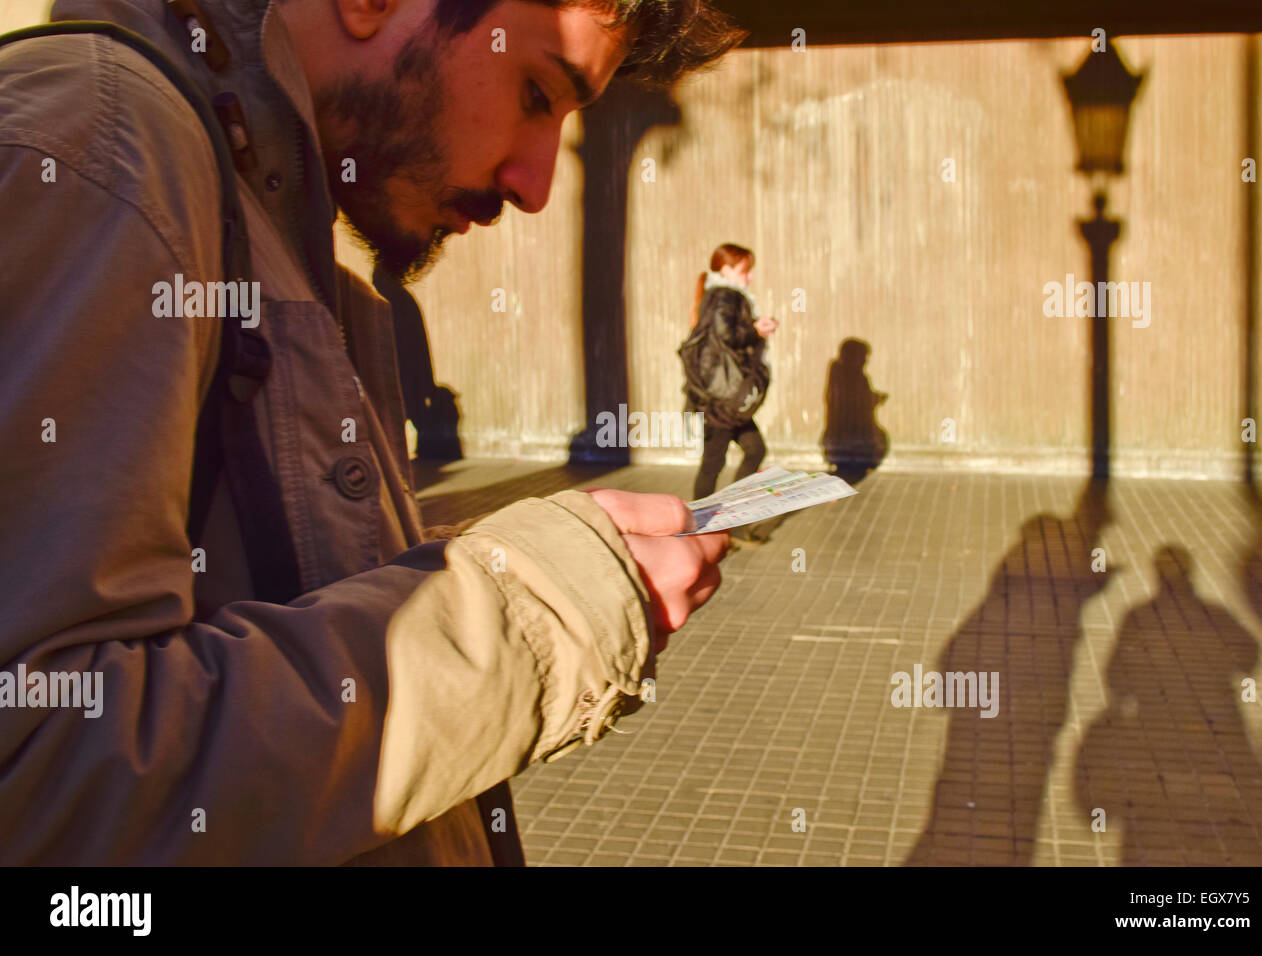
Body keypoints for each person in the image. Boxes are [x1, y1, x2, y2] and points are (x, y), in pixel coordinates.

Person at [0, 0, 744, 865]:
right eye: (537, 93)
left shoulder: (263, 219)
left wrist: (464, 564)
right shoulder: (103, 147)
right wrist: (535, 611)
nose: (536, 187)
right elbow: (44, 771)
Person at [687, 243, 778, 505]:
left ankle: (733, 518)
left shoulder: (716, 295)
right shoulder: (726, 295)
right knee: (714, 462)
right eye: (745, 270)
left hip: (724, 396)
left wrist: (753, 327)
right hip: (722, 399)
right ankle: (700, 525)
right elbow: (725, 336)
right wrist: (756, 330)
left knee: (753, 450)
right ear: (726, 269)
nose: (749, 277)